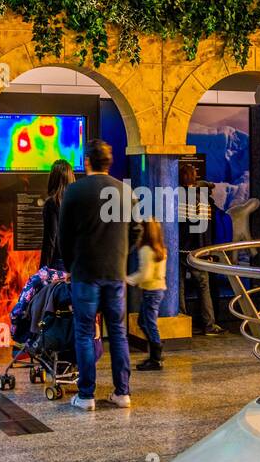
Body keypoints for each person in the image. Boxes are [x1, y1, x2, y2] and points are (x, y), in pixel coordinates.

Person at [58, 140, 134, 410]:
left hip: (85, 273)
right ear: (108, 162)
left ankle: (87, 395)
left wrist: (70, 266)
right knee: (118, 332)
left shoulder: (75, 191)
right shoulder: (125, 191)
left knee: (84, 332)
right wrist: (121, 256)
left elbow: (63, 235)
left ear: (87, 161)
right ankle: (122, 393)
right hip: (115, 273)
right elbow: (137, 231)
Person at [178, 163, 224, 335]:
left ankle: (182, 320)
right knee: (204, 287)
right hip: (198, 250)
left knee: (179, 286)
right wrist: (207, 251)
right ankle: (209, 324)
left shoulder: (176, 197)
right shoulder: (203, 199)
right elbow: (205, 228)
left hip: (180, 249)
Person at [128, 217, 169, 371]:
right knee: (144, 322)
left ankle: (156, 357)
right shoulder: (160, 249)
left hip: (151, 291)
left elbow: (145, 274)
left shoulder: (146, 250)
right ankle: (156, 349)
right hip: (158, 289)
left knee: (149, 323)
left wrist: (128, 279)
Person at [39, 159, 74, 270]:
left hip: (59, 264)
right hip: (76, 263)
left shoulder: (52, 203)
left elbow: (50, 241)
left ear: (53, 178)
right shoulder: (77, 201)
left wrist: (42, 270)